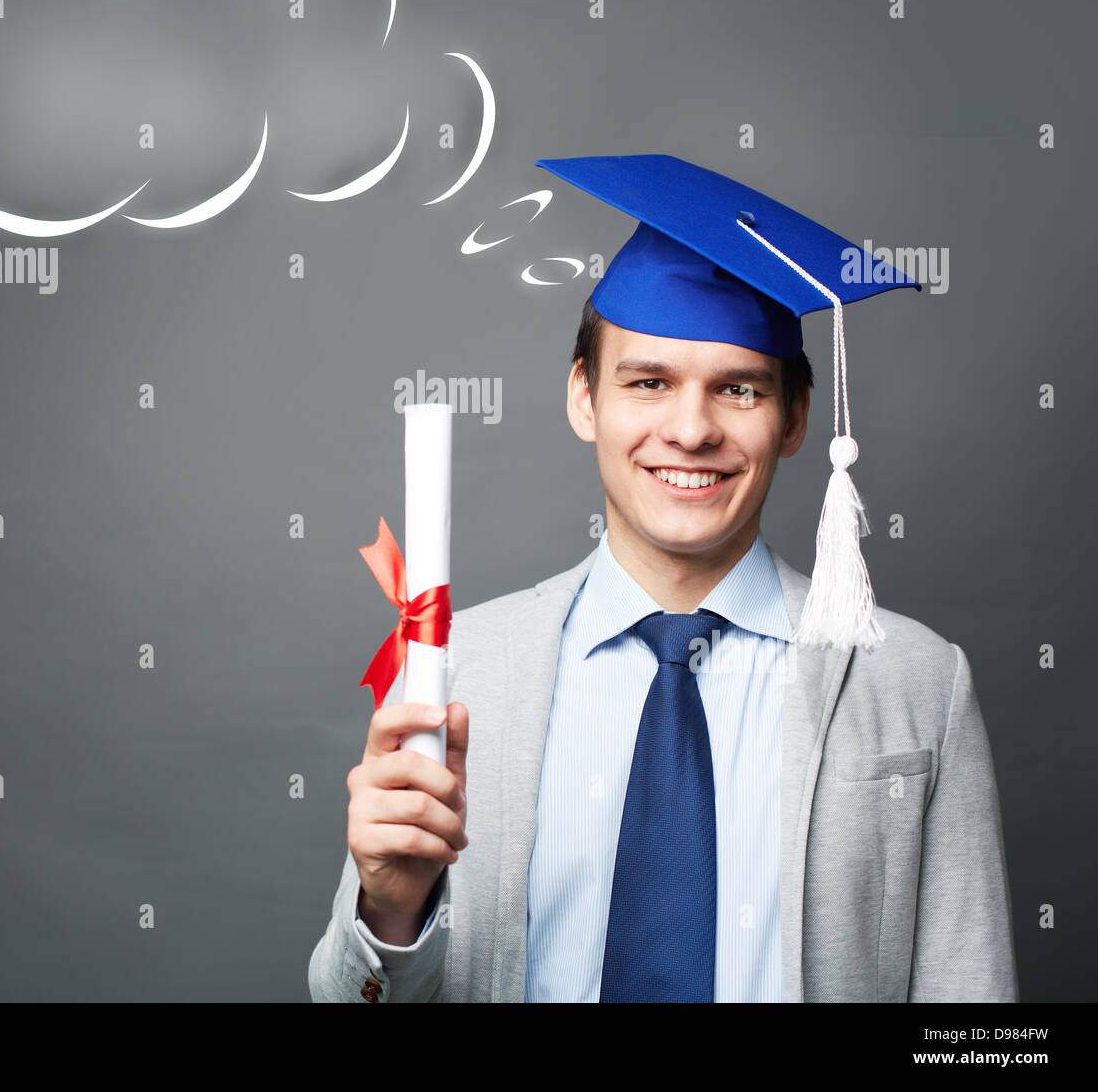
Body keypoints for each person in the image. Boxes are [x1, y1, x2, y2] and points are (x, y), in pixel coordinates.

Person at [308, 153, 1018, 1003]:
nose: (691, 429)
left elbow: (977, 1021)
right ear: (584, 398)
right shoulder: (456, 668)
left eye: (739, 390)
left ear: (795, 419)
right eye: (648, 381)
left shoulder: (916, 680)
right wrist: (391, 908)